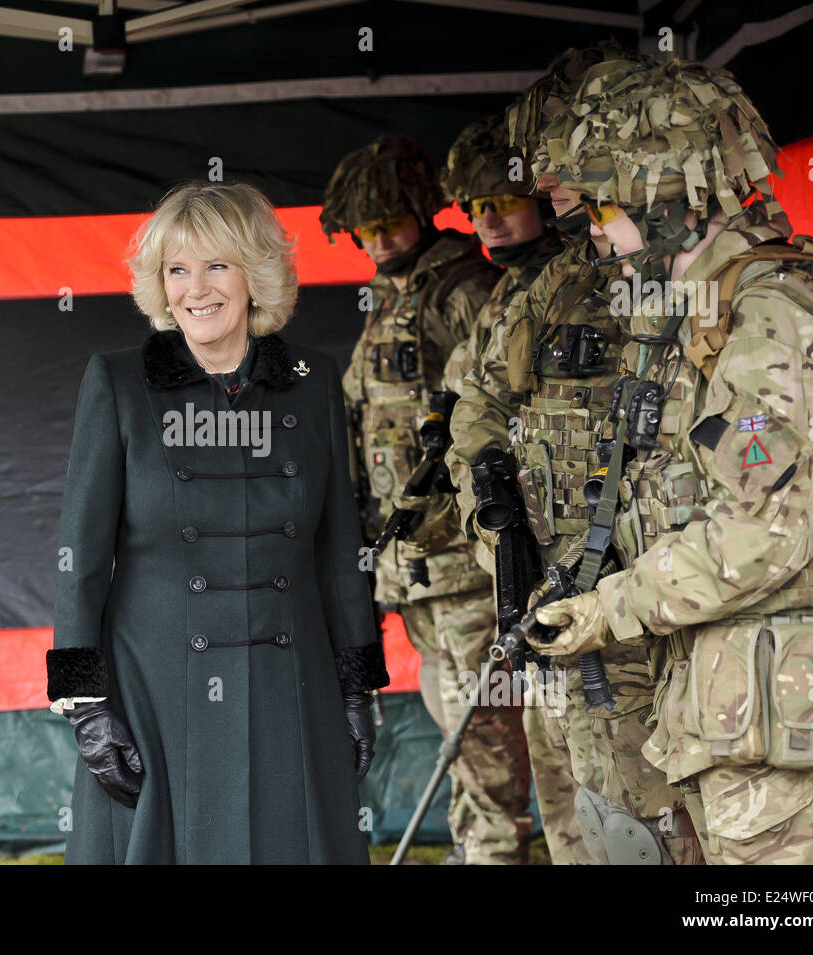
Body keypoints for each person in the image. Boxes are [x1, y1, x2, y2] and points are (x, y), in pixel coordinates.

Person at [524, 56, 813, 864]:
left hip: (771, 707)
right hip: (726, 696)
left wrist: (613, 607)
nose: (595, 227)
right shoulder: (703, 315)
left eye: (606, 202)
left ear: (663, 196)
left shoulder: (767, 318)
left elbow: (761, 534)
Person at [47, 181, 389, 864]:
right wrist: (86, 700)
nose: (195, 289)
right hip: (156, 684)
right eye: (177, 269)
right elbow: (79, 554)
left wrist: (357, 684)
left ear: (255, 275)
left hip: (290, 685)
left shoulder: (313, 378)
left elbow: (337, 549)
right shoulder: (117, 382)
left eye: (217, 266)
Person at [448, 48, 704, 866]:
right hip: (574, 606)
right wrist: (494, 517)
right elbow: (478, 409)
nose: (552, 189)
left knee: (689, 829)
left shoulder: (705, 278)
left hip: (684, 602)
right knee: (596, 818)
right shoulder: (549, 289)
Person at [321, 136, 522, 863]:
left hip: (465, 565)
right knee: (458, 722)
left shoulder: (462, 288)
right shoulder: (393, 298)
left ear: (423, 212)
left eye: (389, 224)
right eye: (364, 231)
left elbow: (500, 414)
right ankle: (482, 848)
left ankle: (497, 851)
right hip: (416, 567)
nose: (377, 241)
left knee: (482, 727)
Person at [436, 112, 573, 864]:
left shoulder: (580, 284)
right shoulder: (506, 294)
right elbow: (476, 411)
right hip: (515, 559)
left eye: (502, 199)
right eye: (474, 206)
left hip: (585, 568)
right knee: (554, 763)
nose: (487, 218)